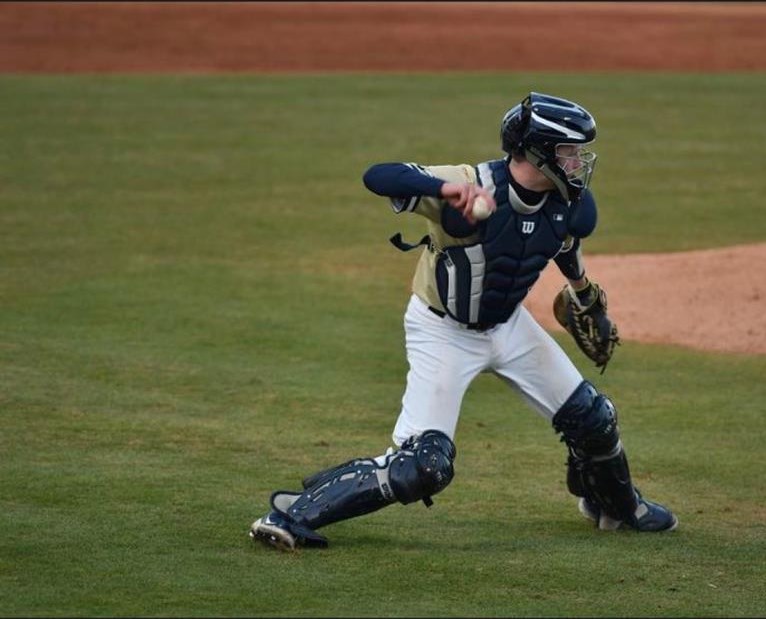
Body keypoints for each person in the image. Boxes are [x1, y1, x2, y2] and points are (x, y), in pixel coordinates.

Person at [249, 92, 677, 551]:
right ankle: (291, 515)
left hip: (510, 328)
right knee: (425, 466)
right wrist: (442, 190)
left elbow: (564, 246)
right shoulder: (470, 183)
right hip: (443, 332)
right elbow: (377, 175)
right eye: (569, 153)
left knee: (594, 419)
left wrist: (584, 294)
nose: (578, 163)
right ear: (539, 153)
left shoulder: (568, 202)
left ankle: (615, 505)